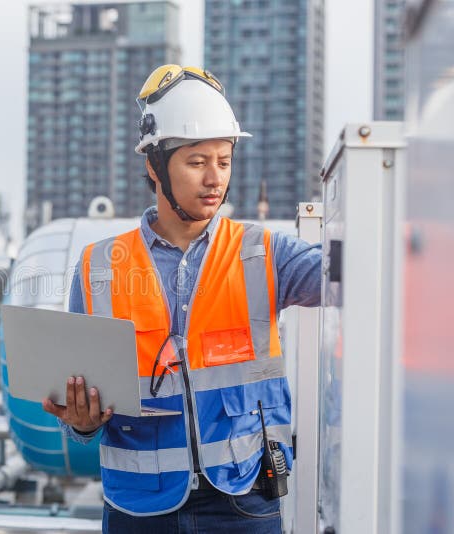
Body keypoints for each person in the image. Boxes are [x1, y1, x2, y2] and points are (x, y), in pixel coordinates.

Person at [42, 65, 322, 533]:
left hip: (244, 497)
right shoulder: (98, 267)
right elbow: (82, 403)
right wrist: (82, 421)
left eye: (224, 160)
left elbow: (350, 276)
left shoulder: (265, 253)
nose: (215, 178)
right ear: (154, 165)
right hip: (139, 507)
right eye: (197, 162)